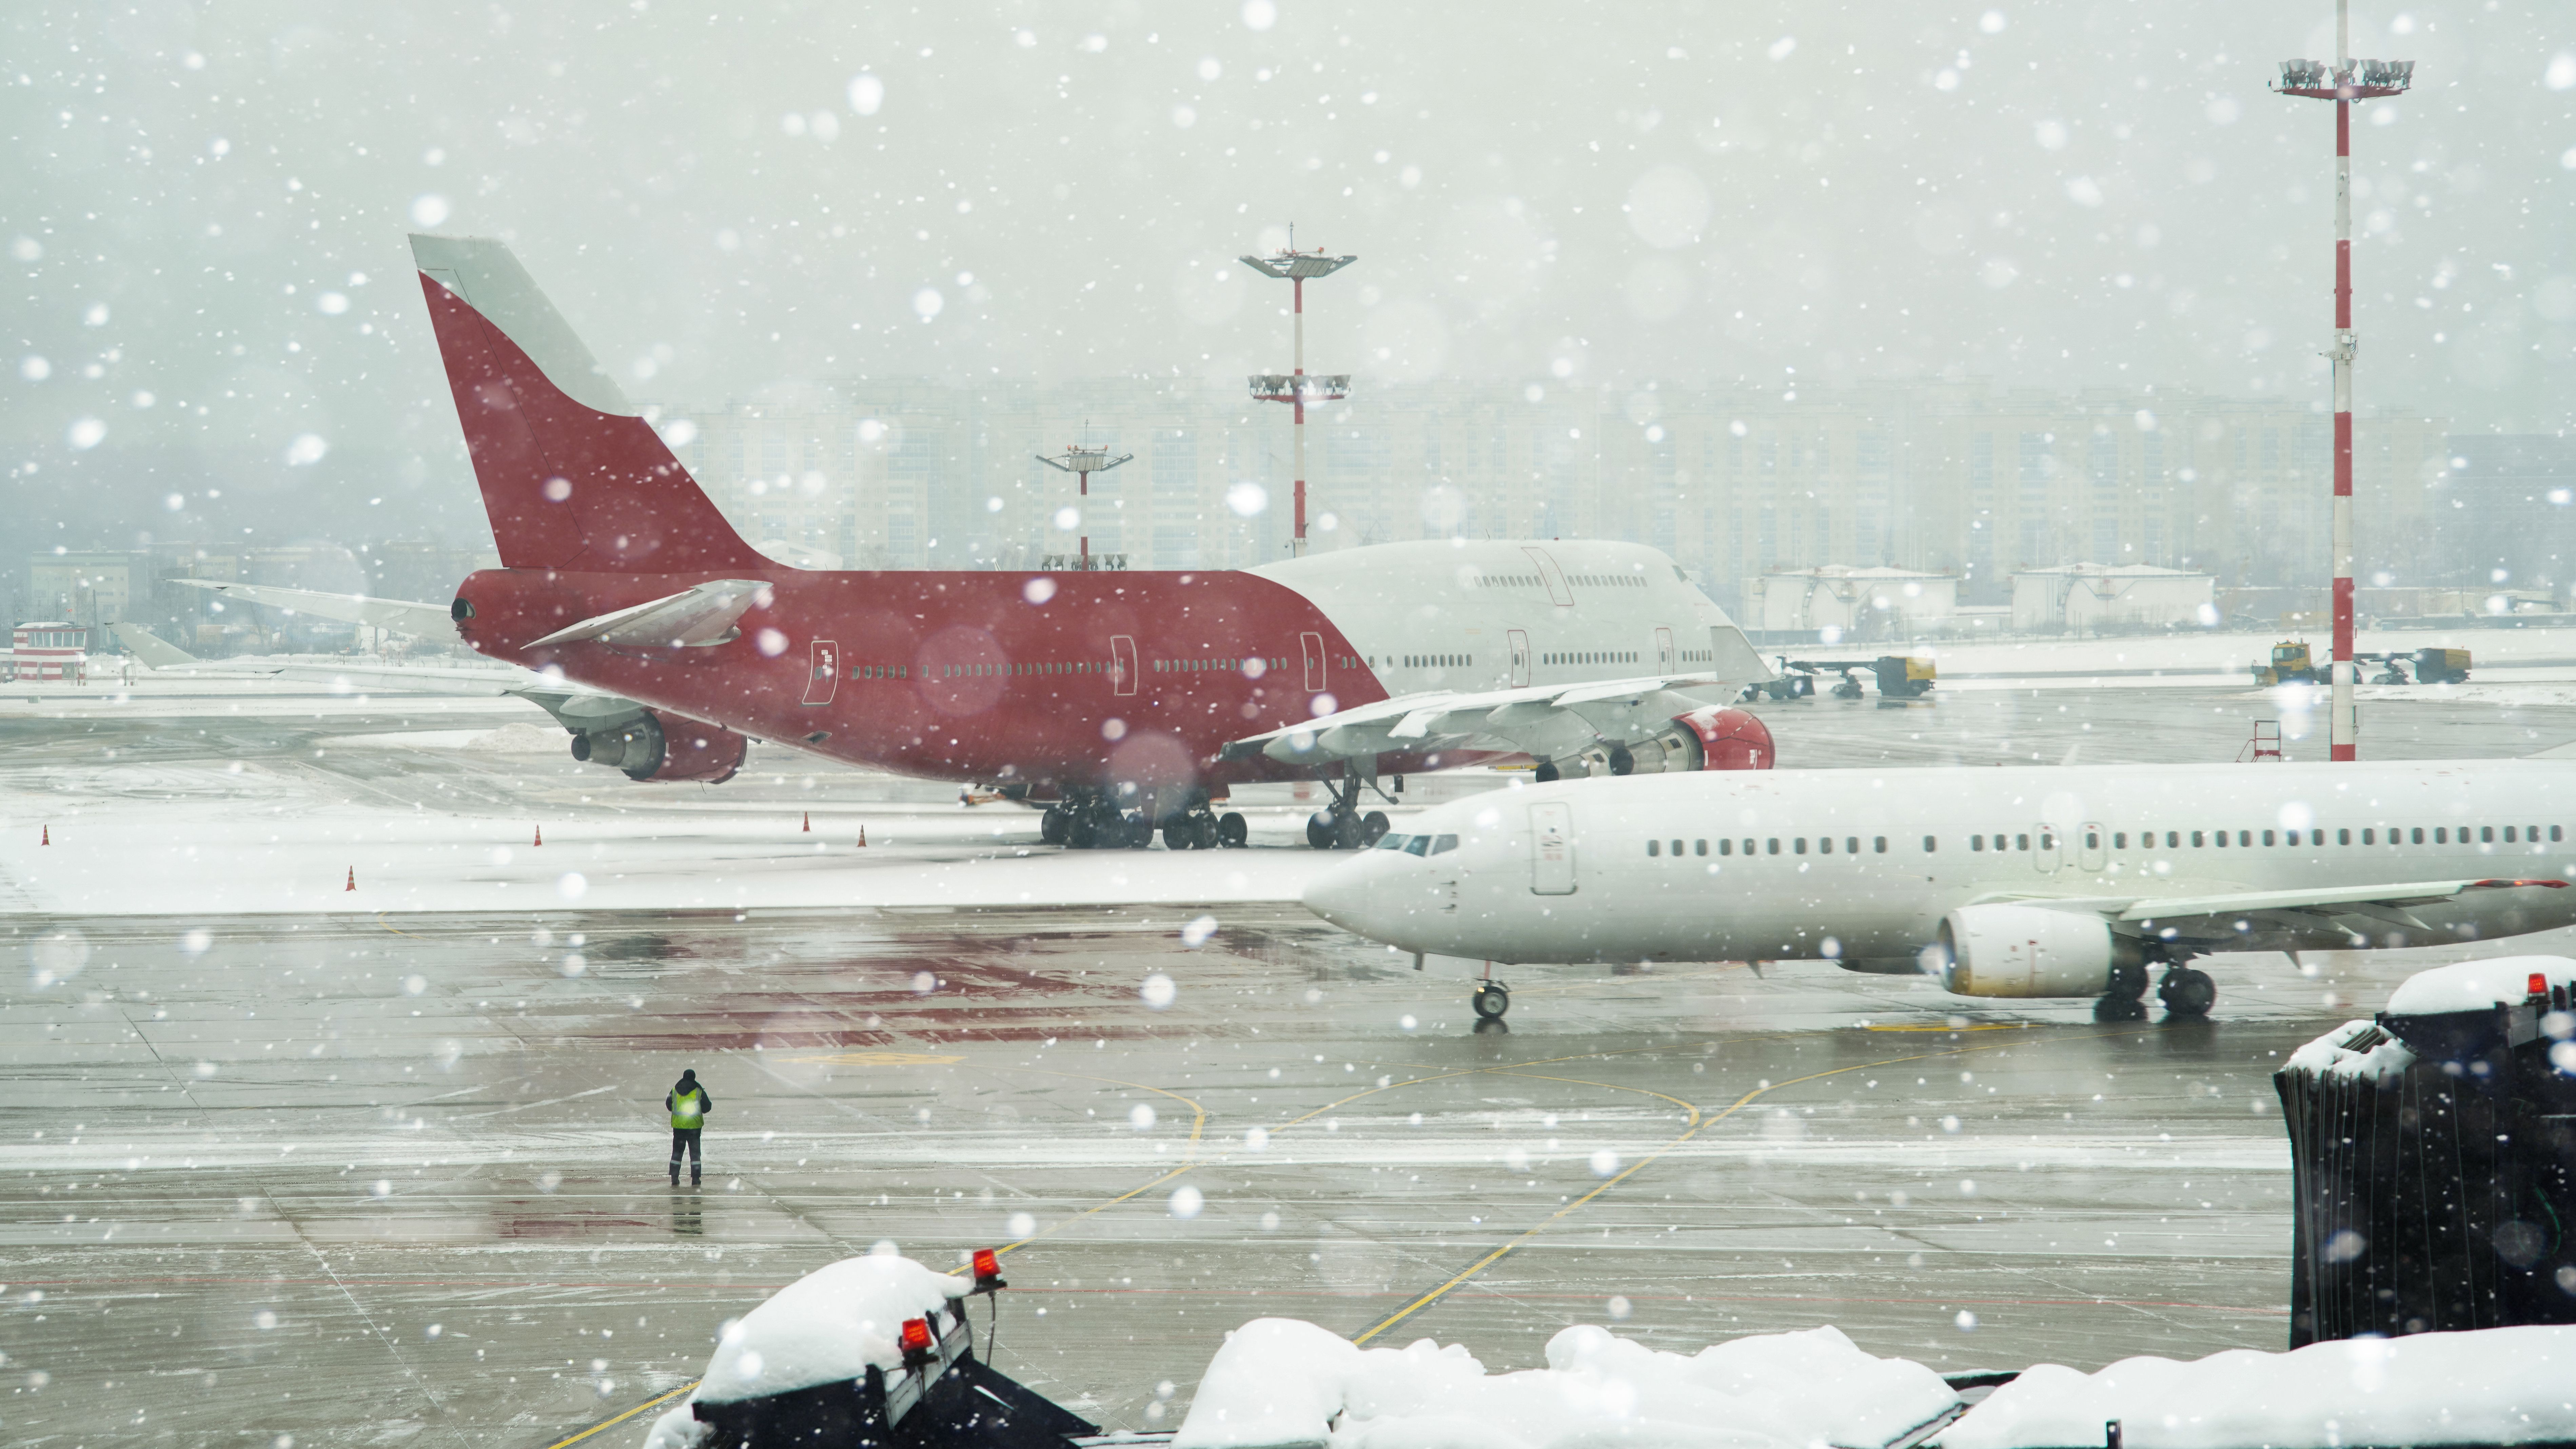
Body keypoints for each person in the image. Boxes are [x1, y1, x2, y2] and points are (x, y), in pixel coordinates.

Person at [666, 1069, 710, 1186]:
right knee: (695, 1154)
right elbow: (707, 1107)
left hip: (679, 1127)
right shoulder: (698, 1090)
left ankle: (674, 1177)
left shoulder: (675, 1090)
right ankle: (696, 1179)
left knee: (677, 1153)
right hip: (694, 1128)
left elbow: (669, 1105)